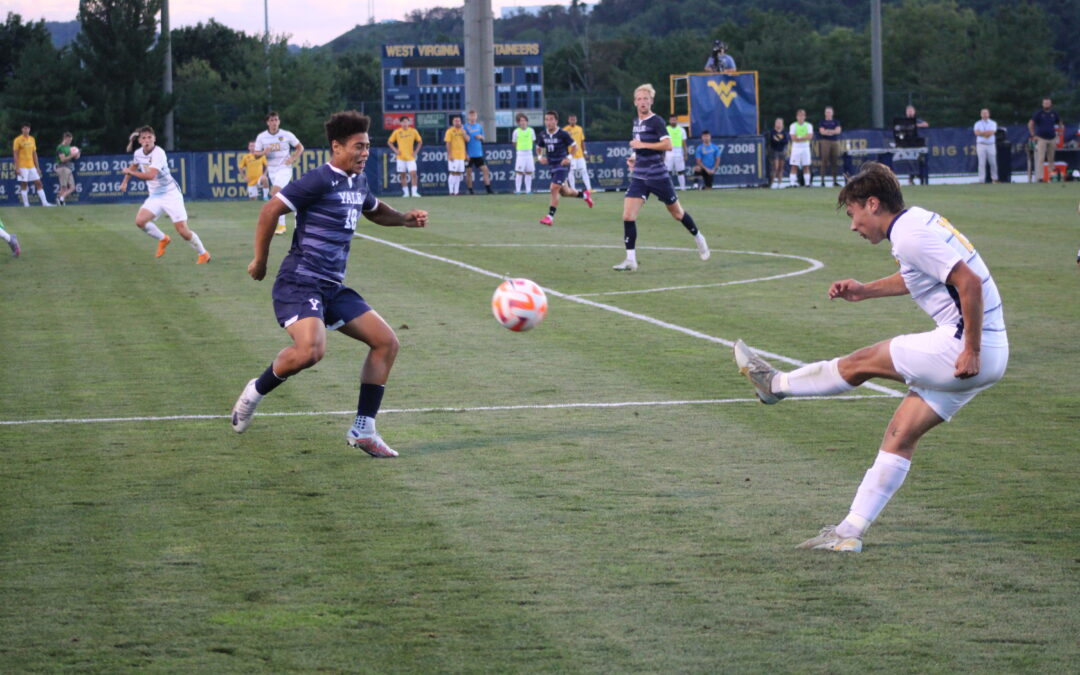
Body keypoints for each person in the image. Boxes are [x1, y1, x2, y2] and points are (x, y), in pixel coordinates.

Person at [733, 162, 1008, 553]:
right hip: (993, 353)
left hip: (964, 346)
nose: (853, 226)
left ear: (873, 204)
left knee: (862, 362)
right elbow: (920, 276)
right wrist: (864, 290)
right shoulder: (916, 222)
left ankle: (774, 385)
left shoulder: (909, 235)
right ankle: (848, 532)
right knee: (900, 435)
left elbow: (969, 282)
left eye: (853, 213)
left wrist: (971, 349)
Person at [230, 110, 428, 458]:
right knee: (311, 351)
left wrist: (403, 219)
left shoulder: (358, 181)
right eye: (358, 146)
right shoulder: (319, 179)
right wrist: (260, 261)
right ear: (336, 147)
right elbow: (270, 211)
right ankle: (254, 392)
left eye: (367, 146)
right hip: (300, 280)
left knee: (386, 343)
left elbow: (373, 209)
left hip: (332, 286)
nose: (365, 153)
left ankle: (364, 429)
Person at [613, 83, 709, 271]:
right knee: (628, 216)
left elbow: (667, 145)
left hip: (658, 176)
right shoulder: (636, 122)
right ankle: (631, 260)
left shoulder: (656, 121)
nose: (642, 102)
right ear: (635, 102)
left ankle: (699, 237)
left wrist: (642, 146)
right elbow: (640, 147)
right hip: (640, 177)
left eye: (646, 99)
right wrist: (634, 157)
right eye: (639, 99)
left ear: (651, 101)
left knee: (677, 214)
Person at [119, 125, 211, 264]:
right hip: (155, 196)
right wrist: (125, 182)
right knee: (140, 221)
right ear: (140, 141)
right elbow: (133, 166)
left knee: (182, 231)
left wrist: (130, 173)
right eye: (144, 138)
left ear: (154, 139)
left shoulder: (159, 153)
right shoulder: (138, 153)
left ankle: (203, 254)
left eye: (150, 137)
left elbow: (150, 175)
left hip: (170, 194)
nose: (147, 140)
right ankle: (163, 239)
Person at [536, 110, 594, 226]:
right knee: (565, 192)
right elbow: (538, 147)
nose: (548, 122)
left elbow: (574, 146)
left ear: (556, 121)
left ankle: (549, 217)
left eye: (551, 119)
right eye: (546, 119)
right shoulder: (543, 134)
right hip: (552, 165)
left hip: (563, 165)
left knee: (554, 188)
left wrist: (568, 157)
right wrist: (540, 157)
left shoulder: (563, 133)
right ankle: (585, 195)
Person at [254, 111, 304, 234]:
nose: (274, 122)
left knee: (275, 194)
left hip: (284, 168)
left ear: (279, 121)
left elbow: (300, 147)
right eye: (271, 120)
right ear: (267, 123)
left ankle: (281, 225)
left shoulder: (286, 134)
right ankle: (299, 211)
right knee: (284, 196)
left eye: (276, 120)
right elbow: (256, 155)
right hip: (272, 170)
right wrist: (263, 152)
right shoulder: (262, 137)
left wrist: (293, 158)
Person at [12, 124, 53, 207]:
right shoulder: (17, 140)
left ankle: (45, 203)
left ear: (29, 129)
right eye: (24, 128)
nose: (26, 130)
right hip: (22, 166)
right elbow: (15, 154)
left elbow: (34, 153)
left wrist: (37, 167)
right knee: (24, 184)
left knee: (39, 183)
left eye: (27, 128)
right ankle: (26, 204)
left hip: (31, 166)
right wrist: (17, 167)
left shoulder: (32, 139)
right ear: (22, 129)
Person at [1028, 97, 1061, 183]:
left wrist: (1059, 134)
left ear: (1051, 104)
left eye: (1048, 103)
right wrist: (1033, 134)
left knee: (1051, 158)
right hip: (1041, 138)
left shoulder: (1054, 113)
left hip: (1052, 138)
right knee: (1041, 158)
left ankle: (1051, 177)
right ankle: (1040, 177)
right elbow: (1031, 123)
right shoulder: (1039, 113)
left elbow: (1060, 123)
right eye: (1045, 103)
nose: (1046, 105)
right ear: (1042, 104)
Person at [387, 115, 422, 198]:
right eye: (403, 122)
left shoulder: (413, 131)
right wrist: (395, 150)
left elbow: (420, 141)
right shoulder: (397, 132)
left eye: (406, 122)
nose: (405, 123)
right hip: (401, 158)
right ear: (400, 123)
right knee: (402, 175)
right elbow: (389, 142)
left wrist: (416, 151)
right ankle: (406, 193)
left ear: (409, 122)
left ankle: (414, 192)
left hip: (411, 158)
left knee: (413, 174)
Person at [463, 109, 493, 194]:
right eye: (471, 116)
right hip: (469, 154)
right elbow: (463, 141)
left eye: (474, 116)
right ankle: (470, 190)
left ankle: (488, 189)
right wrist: (465, 153)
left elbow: (483, 137)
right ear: (468, 117)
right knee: (469, 172)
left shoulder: (479, 126)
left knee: (485, 170)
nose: (473, 117)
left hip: (478, 153)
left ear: (476, 117)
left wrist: (480, 137)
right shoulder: (465, 127)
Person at [563, 114, 593, 193]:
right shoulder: (565, 130)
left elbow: (582, 141)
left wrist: (585, 151)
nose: (572, 121)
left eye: (574, 119)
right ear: (568, 120)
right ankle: (573, 189)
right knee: (571, 172)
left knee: (584, 171)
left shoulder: (579, 128)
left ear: (576, 120)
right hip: (571, 155)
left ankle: (589, 188)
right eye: (571, 119)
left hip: (580, 155)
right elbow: (563, 142)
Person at [903, 105, 929, 185]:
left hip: (917, 144)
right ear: (906, 112)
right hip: (906, 145)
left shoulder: (917, 120)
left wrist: (916, 125)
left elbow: (926, 124)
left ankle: (921, 178)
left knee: (919, 160)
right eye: (908, 111)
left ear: (914, 112)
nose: (910, 112)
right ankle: (911, 177)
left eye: (911, 111)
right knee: (910, 160)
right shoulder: (903, 121)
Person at [817, 106, 843, 187]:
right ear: (825, 113)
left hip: (834, 142)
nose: (828, 113)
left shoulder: (836, 122)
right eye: (827, 112)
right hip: (825, 142)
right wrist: (832, 131)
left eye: (829, 112)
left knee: (834, 161)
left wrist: (828, 131)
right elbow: (822, 132)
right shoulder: (822, 122)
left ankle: (835, 181)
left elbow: (838, 131)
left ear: (832, 113)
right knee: (824, 161)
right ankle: (822, 181)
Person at [512, 113, 536, 195]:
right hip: (520, 154)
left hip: (529, 154)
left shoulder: (531, 130)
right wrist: (520, 149)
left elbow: (533, 141)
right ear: (518, 122)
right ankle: (518, 190)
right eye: (521, 121)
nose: (523, 122)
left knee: (529, 172)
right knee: (519, 172)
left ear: (527, 122)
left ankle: (528, 190)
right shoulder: (516, 132)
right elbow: (514, 143)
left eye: (524, 120)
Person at [788, 109, 813, 188]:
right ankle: (792, 183)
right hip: (796, 148)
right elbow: (793, 138)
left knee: (806, 165)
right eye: (799, 115)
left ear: (805, 117)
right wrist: (804, 137)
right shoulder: (793, 125)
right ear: (797, 117)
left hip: (805, 148)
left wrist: (799, 138)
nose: (801, 117)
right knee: (794, 165)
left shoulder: (809, 125)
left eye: (802, 115)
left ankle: (807, 183)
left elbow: (810, 136)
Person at [444, 114, 468, 195]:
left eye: (459, 121)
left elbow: (467, 140)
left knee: (458, 173)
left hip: (461, 156)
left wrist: (463, 132)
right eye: (455, 121)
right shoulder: (449, 131)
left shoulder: (463, 131)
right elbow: (448, 143)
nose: (457, 122)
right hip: (454, 156)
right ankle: (451, 191)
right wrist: (449, 154)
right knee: (453, 172)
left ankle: (456, 191)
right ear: (453, 122)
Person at [973, 108, 998, 184]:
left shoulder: (993, 123)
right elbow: (977, 133)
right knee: (981, 163)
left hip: (991, 145)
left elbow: (991, 132)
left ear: (989, 114)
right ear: (981, 115)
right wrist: (986, 133)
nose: (984, 115)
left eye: (986, 113)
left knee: (993, 162)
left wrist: (982, 133)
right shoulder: (977, 123)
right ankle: (981, 180)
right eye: (983, 113)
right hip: (981, 145)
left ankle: (995, 179)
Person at [665, 115, 688, 190]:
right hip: (669, 152)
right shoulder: (665, 129)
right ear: (669, 121)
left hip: (679, 153)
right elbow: (663, 142)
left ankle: (683, 188)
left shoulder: (682, 130)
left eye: (674, 120)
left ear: (677, 120)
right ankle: (669, 188)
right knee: (668, 172)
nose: (673, 121)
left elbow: (684, 143)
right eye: (672, 120)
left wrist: (685, 154)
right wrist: (662, 154)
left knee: (680, 171)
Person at [55, 132, 77, 205]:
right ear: (65, 139)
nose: (70, 142)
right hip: (62, 168)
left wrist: (77, 154)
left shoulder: (69, 147)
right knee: (64, 187)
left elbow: (73, 157)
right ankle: (60, 199)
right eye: (69, 140)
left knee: (72, 187)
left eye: (71, 140)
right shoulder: (60, 147)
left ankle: (60, 198)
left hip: (68, 168)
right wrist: (72, 155)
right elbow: (62, 159)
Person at [767, 117, 789, 189]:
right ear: (775, 124)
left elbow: (785, 141)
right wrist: (780, 140)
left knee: (781, 168)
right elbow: (773, 141)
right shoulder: (772, 132)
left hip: (782, 151)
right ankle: (773, 183)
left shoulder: (784, 132)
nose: (779, 124)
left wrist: (778, 139)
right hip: (774, 151)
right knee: (775, 168)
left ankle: (780, 183)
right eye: (777, 122)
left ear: (782, 124)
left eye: (780, 123)